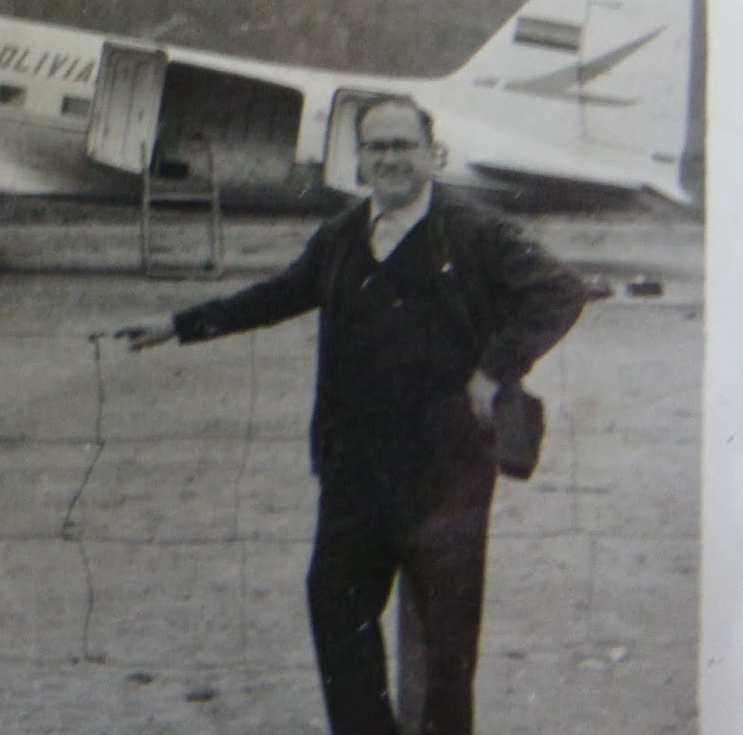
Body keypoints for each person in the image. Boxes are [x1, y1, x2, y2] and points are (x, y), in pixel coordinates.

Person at [111, 96, 586, 735]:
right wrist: (180, 323)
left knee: (447, 647)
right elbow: (279, 294)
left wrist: (493, 370)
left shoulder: (476, 231)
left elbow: (560, 291)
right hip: (353, 471)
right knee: (336, 614)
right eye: (376, 147)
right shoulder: (340, 236)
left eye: (403, 145)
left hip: (445, 474)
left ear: (433, 154)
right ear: (359, 159)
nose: (389, 158)